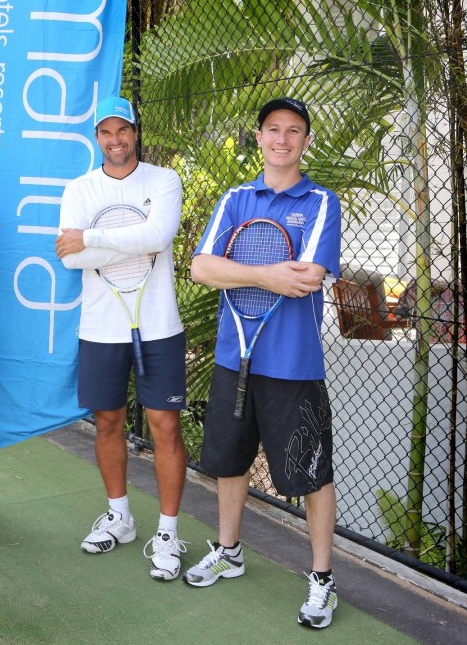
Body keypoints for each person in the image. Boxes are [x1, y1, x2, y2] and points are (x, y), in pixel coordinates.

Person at [187, 97, 341, 628]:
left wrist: (242, 270)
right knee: (229, 463)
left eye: (293, 130)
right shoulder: (235, 199)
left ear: (305, 141)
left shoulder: (321, 202)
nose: (282, 139)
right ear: (259, 137)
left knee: (312, 474)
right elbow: (201, 268)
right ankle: (228, 552)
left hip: (294, 366)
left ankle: (322, 579)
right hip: (234, 357)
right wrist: (268, 274)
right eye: (273, 129)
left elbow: (309, 277)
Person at [56, 96, 189, 580]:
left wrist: (92, 238)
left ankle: (168, 533)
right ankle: (120, 518)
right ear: (98, 138)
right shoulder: (79, 189)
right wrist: (132, 239)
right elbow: (69, 258)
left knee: (164, 427)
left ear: (136, 132)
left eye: (123, 130)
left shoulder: (163, 180)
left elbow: (159, 236)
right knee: (107, 423)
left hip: (159, 327)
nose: (116, 140)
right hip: (100, 328)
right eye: (107, 132)